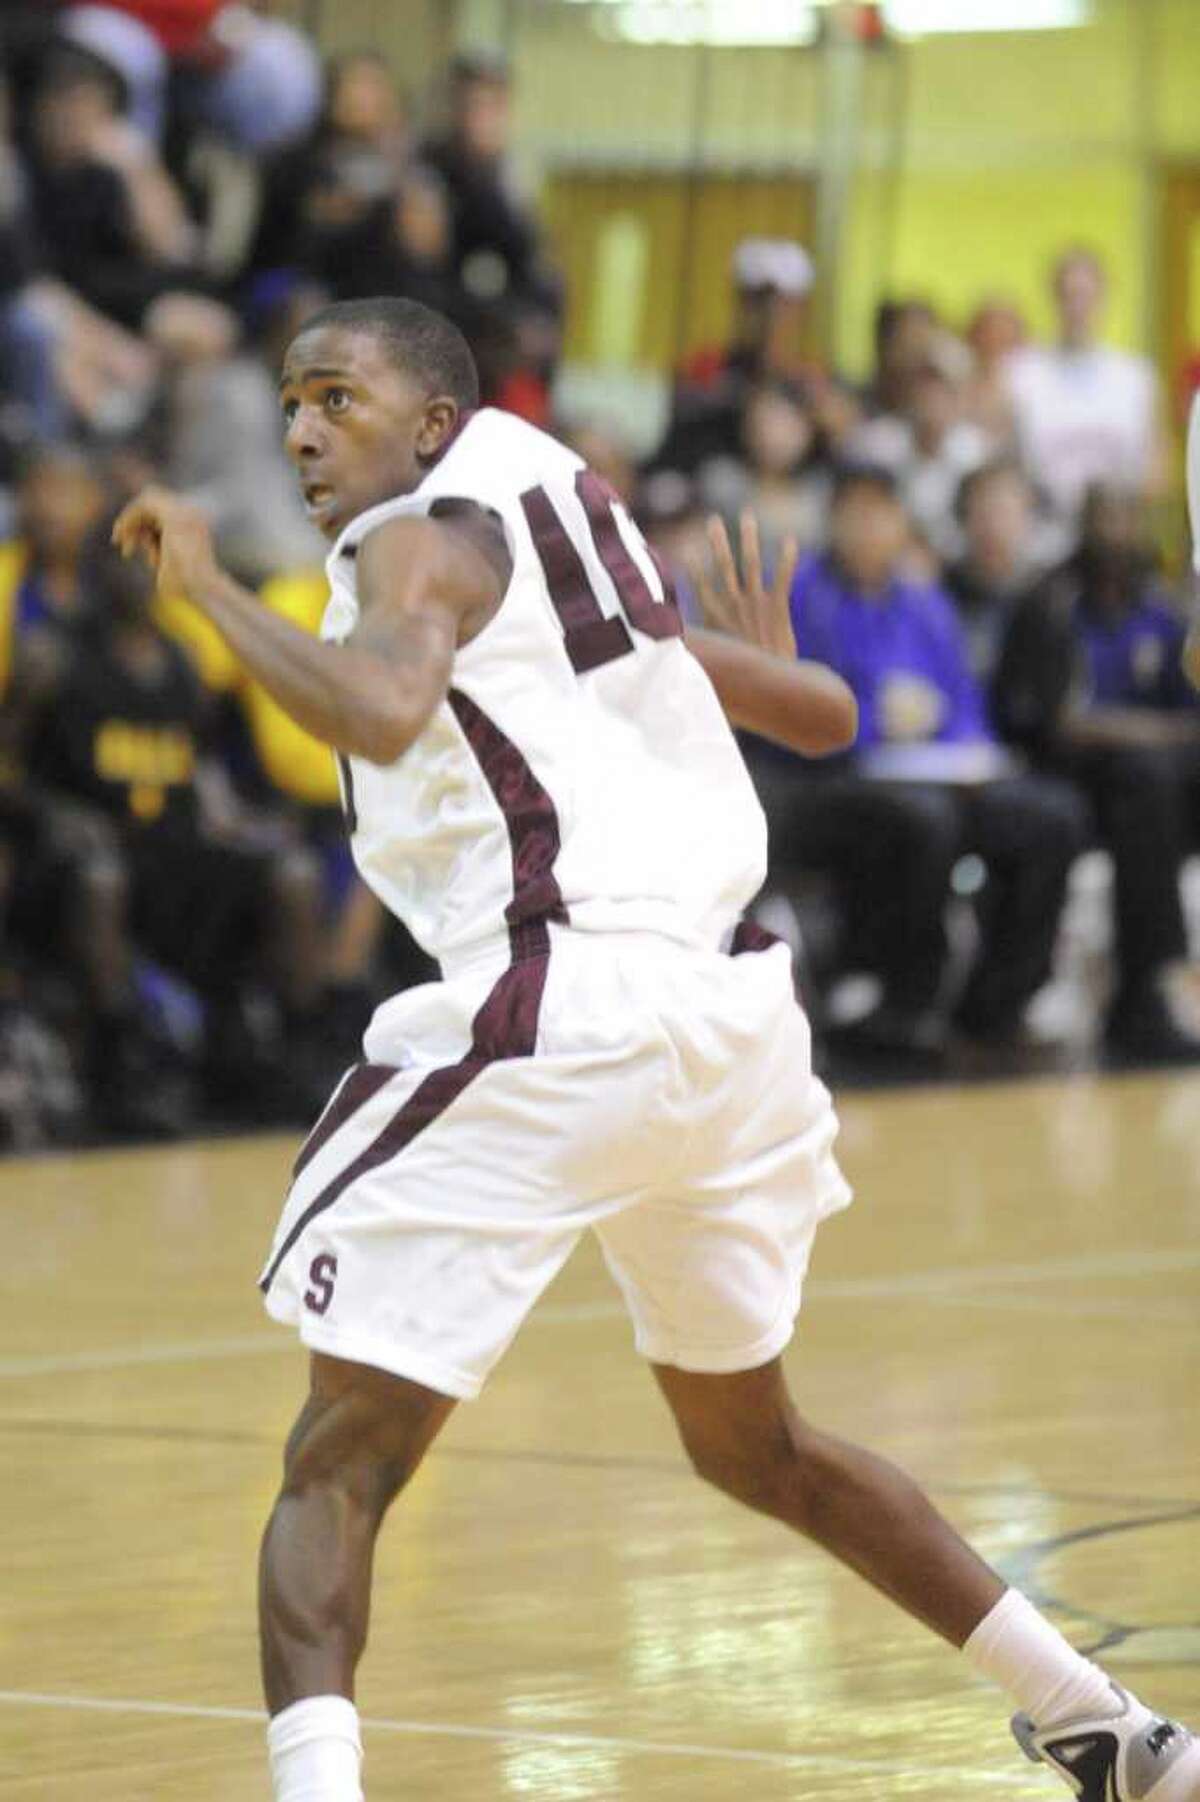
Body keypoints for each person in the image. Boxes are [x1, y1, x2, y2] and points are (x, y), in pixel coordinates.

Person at [113, 296, 1198, 1802]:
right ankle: (1111, 1731)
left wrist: (213, 590)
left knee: (337, 1464)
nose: (301, 429)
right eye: (290, 400)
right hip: (728, 1030)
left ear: (432, 424)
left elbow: (377, 707)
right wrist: (745, 656)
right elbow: (819, 713)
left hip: (566, 1004)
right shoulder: (575, 537)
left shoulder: (422, 538)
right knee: (758, 1446)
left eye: (337, 399)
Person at [751, 464, 1086, 1056]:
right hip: (828, 775)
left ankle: (997, 1001)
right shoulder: (800, 595)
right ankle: (901, 1003)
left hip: (935, 773)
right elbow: (786, 707)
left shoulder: (926, 603)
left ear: (904, 524)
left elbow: (964, 704)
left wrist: (956, 741)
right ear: (834, 520)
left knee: (1052, 815)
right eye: (856, 511)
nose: (870, 526)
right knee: (922, 823)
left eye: (883, 512)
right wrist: (876, 721)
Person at [992, 484, 1200, 1062]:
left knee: (1155, 775)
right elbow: (1058, 723)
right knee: (1147, 778)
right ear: (1083, 526)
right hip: (1064, 775)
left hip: (1151, 774)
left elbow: (1187, 711)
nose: (1117, 532)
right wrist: (1156, 735)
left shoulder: (1160, 609)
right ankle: (1145, 994)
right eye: (1106, 517)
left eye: (1128, 516)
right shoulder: (1049, 602)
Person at [1005, 246, 1168, 535]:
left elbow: (1155, 469)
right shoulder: (1020, 374)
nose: (1077, 307)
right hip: (1043, 537)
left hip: (1117, 538)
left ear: (1103, 298)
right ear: (1054, 298)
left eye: (1086, 295)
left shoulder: (1135, 377)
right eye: (1068, 295)